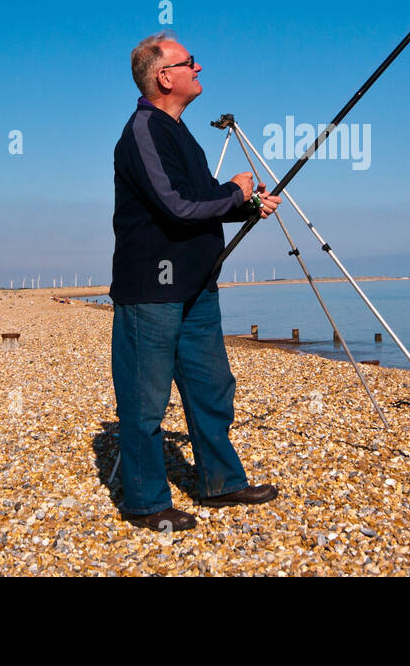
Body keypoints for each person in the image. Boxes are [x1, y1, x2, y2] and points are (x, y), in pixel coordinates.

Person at [109, 32, 281, 531]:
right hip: (152, 290)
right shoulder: (143, 131)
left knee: (212, 388)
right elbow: (175, 206)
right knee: (145, 403)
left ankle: (222, 483)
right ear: (165, 76)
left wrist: (247, 204)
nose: (199, 67)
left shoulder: (180, 131)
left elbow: (201, 200)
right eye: (189, 62)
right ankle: (146, 503)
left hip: (197, 287)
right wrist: (234, 191)